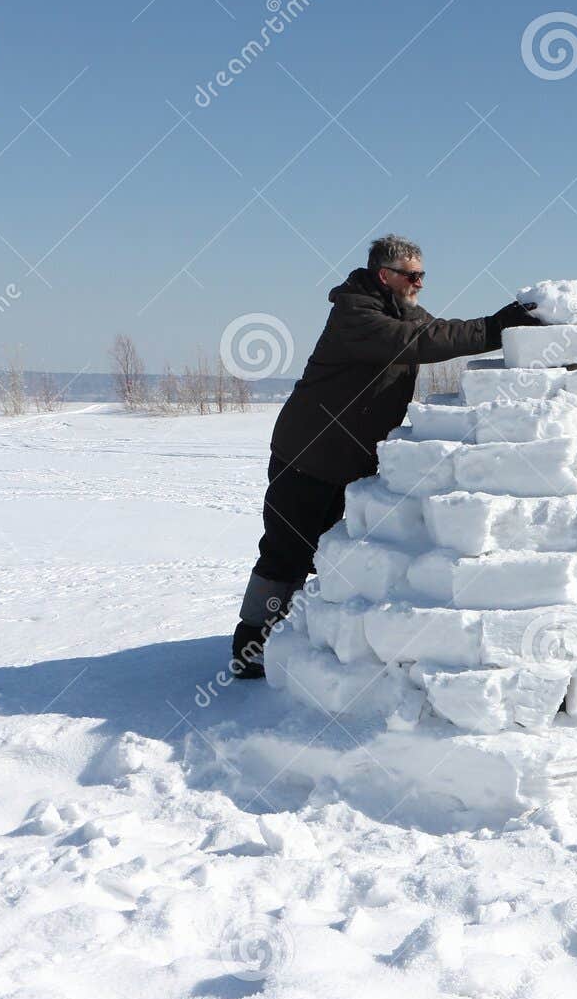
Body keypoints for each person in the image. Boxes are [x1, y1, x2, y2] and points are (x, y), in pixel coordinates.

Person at [230, 234, 539, 678]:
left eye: (423, 275)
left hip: (350, 461)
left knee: (340, 554)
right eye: (412, 276)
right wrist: (494, 327)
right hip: (308, 456)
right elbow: (425, 339)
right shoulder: (357, 315)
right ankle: (251, 646)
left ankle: (316, 638)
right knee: (287, 554)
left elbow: (436, 331)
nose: (419, 284)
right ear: (384, 276)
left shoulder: (399, 310)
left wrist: (500, 330)